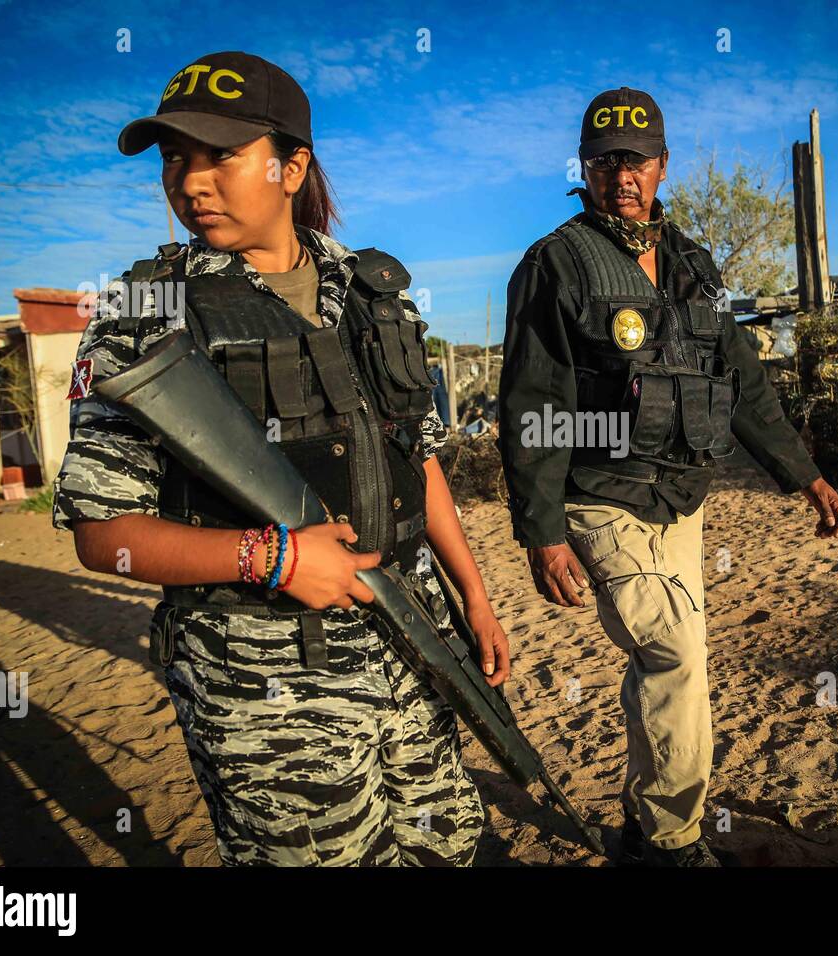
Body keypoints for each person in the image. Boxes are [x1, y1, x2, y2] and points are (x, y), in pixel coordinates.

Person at [53, 51, 509, 866]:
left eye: (219, 155)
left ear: (291, 166)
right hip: (267, 689)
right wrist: (272, 557)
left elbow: (421, 459)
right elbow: (103, 534)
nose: (190, 183)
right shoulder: (140, 316)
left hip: (410, 644)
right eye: (173, 158)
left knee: (452, 849)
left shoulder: (374, 291)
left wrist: (474, 595)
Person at [499, 87, 838, 866]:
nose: (623, 175)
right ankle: (671, 838)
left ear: (662, 165)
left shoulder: (697, 262)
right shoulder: (555, 265)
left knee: (663, 664)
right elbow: (530, 406)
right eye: (605, 161)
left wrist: (805, 477)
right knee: (675, 657)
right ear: (585, 168)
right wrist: (542, 533)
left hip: (681, 499)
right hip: (601, 500)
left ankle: (640, 818)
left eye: (637, 160)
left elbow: (744, 379)